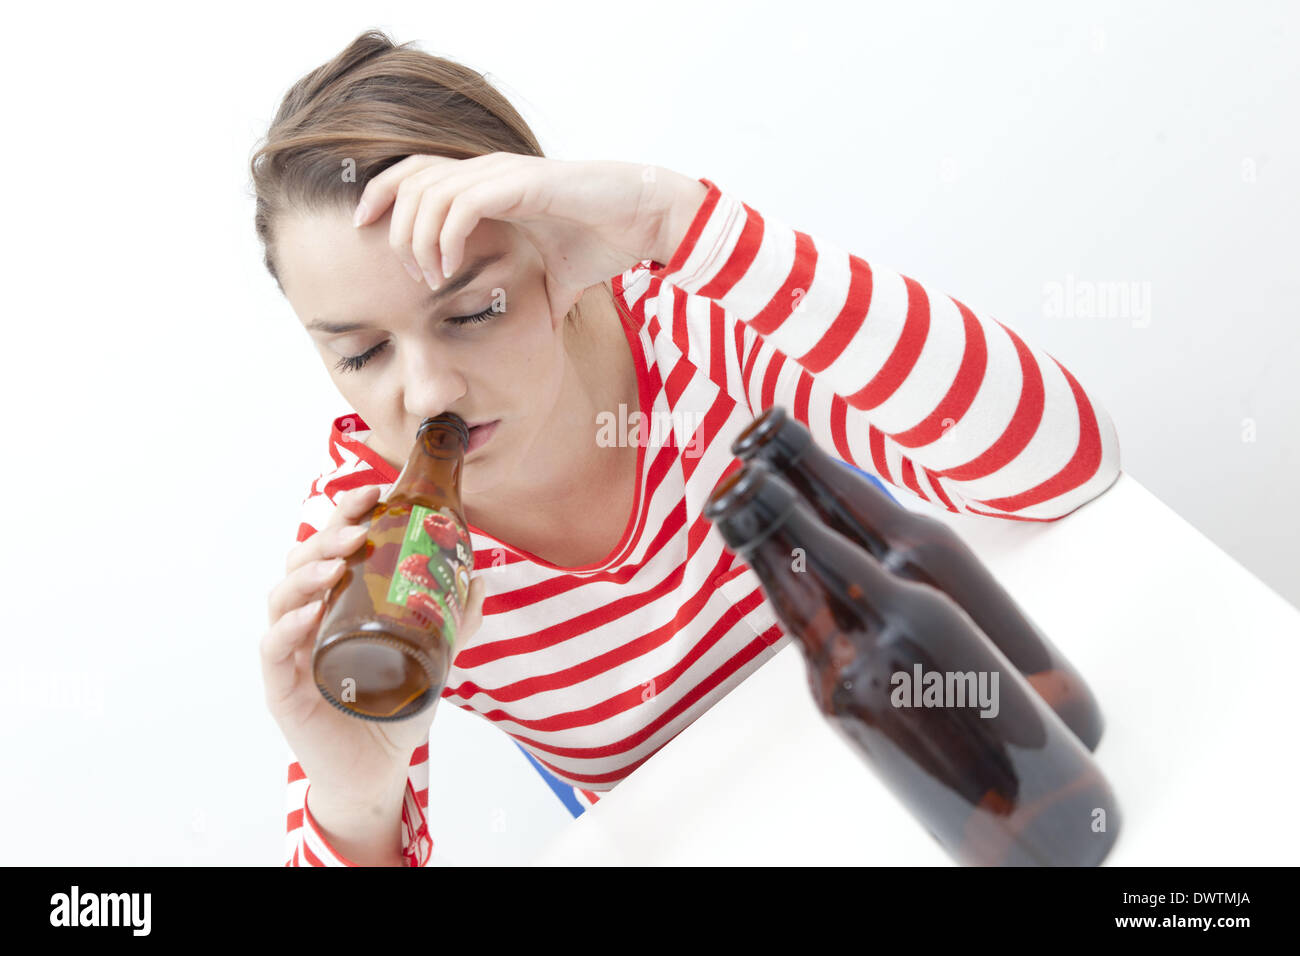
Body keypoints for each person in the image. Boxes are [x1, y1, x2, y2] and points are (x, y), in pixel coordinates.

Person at [252, 30, 1122, 867]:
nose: (429, 391)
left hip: (955, 776)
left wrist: (683, 226)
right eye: (360, 354)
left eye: (474, 312)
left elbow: (1068, 464)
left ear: (545, 243)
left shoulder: (692, 324)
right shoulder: (366, 544)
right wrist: (357, 798)